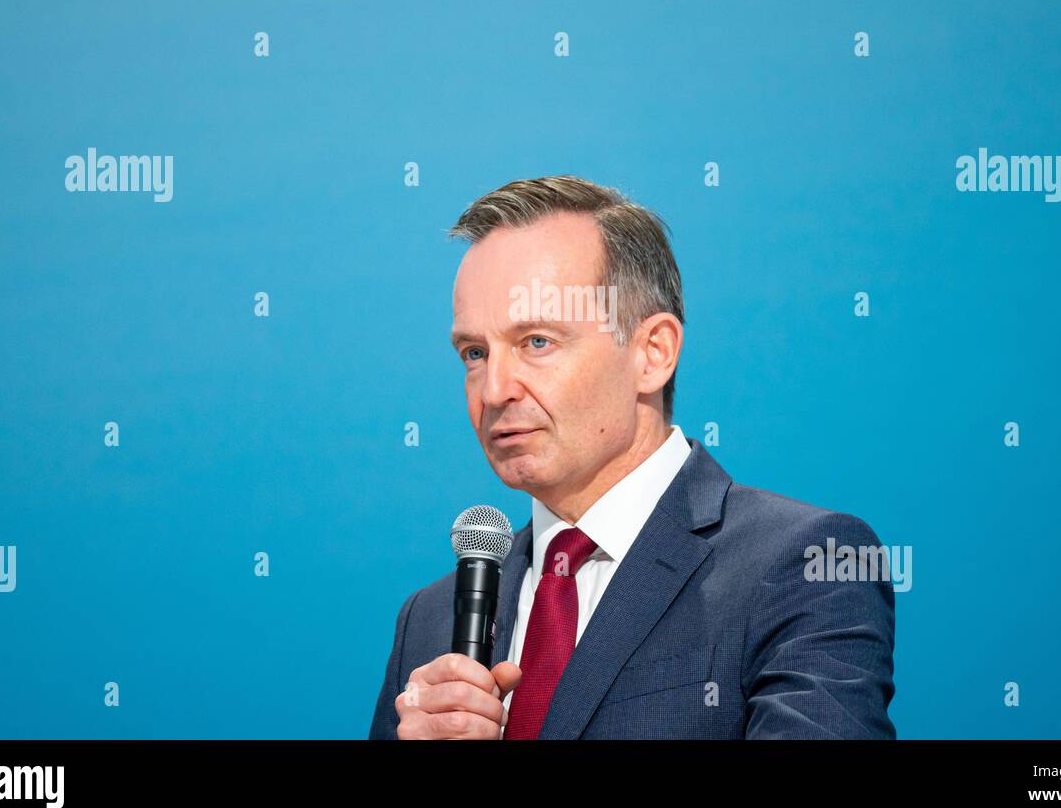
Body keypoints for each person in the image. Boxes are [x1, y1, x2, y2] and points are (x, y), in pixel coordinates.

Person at [368, 175, 896, 739]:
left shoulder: (805, 565)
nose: (495, 390)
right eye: (475, 352)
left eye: (537, 342)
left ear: (653, 352)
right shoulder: (429, 619)